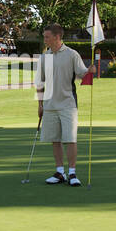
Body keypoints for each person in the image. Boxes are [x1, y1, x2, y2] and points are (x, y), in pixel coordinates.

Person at [33, 23, 91, 186]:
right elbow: (39, 83)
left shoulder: (72, 54)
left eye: (47, 37)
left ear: (57, 37)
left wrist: (90, 71)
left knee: (70, 139)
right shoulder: (44, 57)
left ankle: (72, 173)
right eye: (44, 37)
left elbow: (81, 74)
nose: (45, 40)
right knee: (55, 139)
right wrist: (40, 104)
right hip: (49, 105)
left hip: (68, 104)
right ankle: (60, 172)